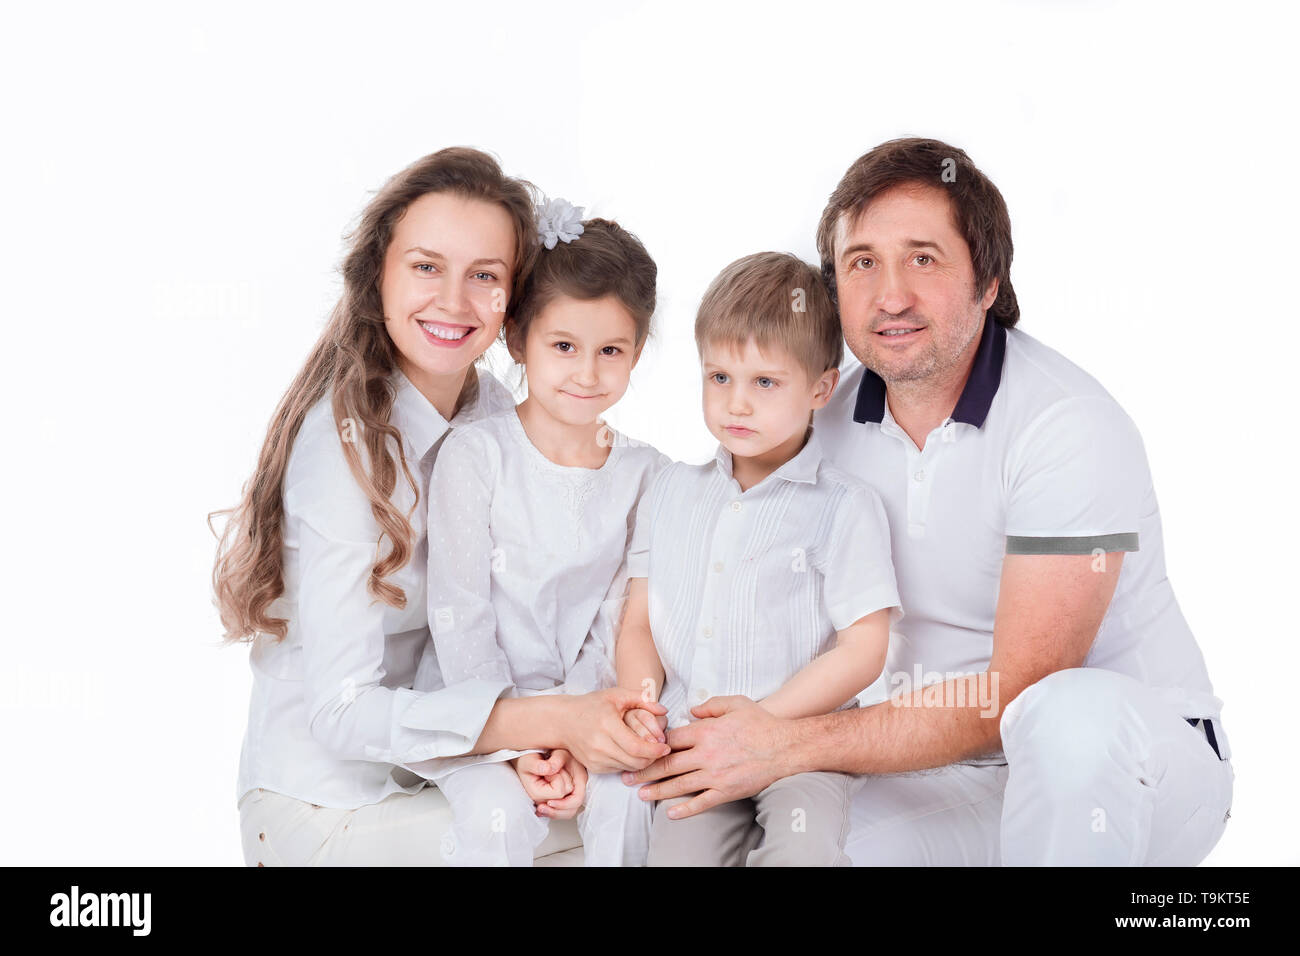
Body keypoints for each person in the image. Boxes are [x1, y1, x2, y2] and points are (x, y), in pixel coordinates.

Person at [623, 137, 1233, 866]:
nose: (891, 296)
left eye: (923, 258)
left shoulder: (1064, 427)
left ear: (989, 282)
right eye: (863, 263)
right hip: (929, 767)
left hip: (1130, 774)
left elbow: (1020, 689)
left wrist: (783, 741)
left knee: (1067, 713)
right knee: (797, 847)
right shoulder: (822, 425)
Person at [211, 148, 667, 867]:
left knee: (642, 804)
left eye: (483, 275)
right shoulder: (344, 449)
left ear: (512, 304)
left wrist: (531, 746)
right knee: (638, 827)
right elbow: (339, 713)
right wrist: (537, 725)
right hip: (326, 803)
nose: (454, 302)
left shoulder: (494, 416)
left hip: (450, 770)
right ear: (378, 275)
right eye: (426, 266)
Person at [617, 252, 901, 866]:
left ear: (821, 388)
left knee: (803, 851)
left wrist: (764, 725)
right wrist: (640, 701)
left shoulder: (845, 506)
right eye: (719, 378)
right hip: (693, 744)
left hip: (802, 746)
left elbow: (864, 648)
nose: (736, 404)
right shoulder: (669, 491)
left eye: (764, 382)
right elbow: (640, 618)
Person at [414, 211, 670, 867]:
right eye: (564, 347)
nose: (587, 373)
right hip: (476, 713)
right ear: (518, 340)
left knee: (632, 797)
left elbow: (620, 619)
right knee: (497, 818)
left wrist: (580, 735)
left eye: (610, 350)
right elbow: (460, 613)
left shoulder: (647, 474)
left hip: (586, 704)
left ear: (637, 352)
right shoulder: (477, 455)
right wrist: (522, 744)